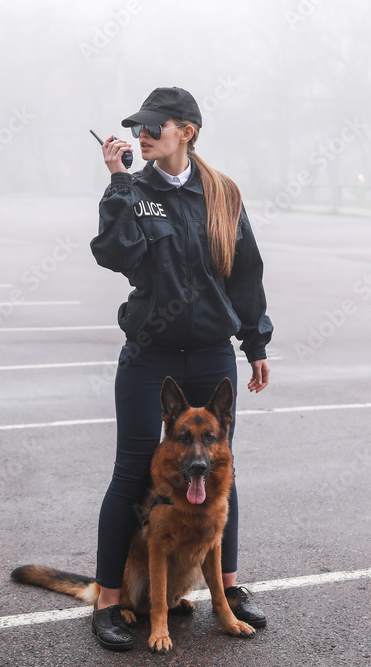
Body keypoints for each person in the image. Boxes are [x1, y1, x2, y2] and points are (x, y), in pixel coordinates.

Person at [88, 86, 273, 652]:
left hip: (213, 349)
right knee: (131, 472)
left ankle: (230, 590)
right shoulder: (135, 191)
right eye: (137, 129)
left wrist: (255, 341)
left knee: (217, 468)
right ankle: (109, 602)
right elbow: (114, 253)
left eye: (153, 128)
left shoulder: (221, 193)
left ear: (185, 131)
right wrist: (119, 182)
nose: (141, 136)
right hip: (152, 353)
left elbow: (245, 273)